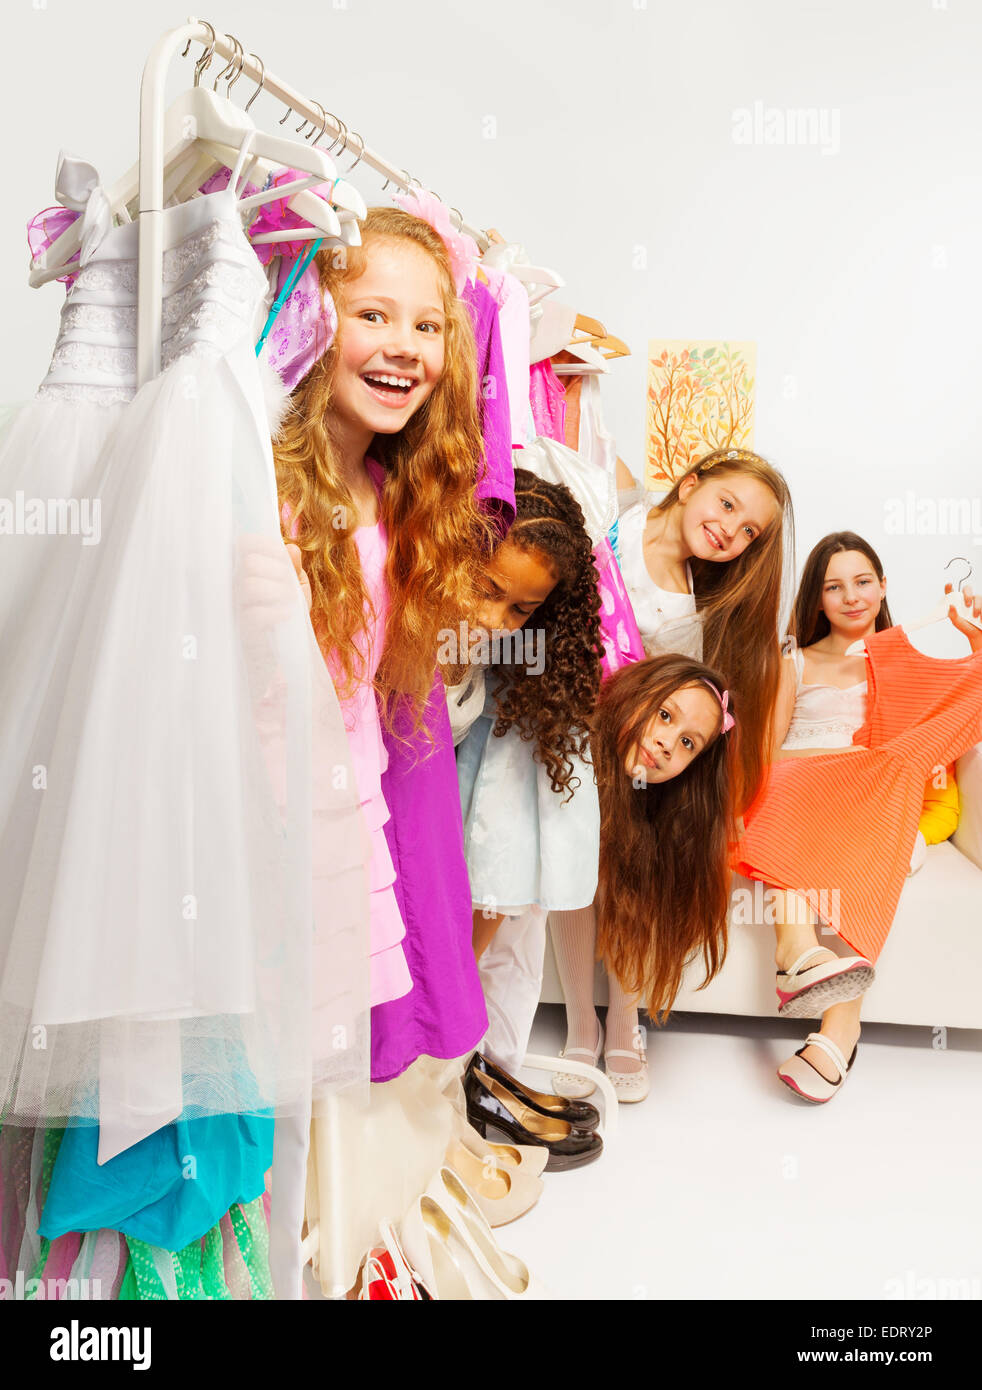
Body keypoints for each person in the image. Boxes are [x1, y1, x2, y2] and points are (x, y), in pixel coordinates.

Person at [553, 448, 793, 1099]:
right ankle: (581, 1028)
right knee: (570, 871)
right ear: (690, 484)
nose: (731, 532)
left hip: (640, 756)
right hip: (569, 733)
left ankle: (627, 1024)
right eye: (727, 505)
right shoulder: (614, 515)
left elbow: (701, 701)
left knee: (631, 873)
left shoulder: (705, 601)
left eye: (750, 533)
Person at [735, 532, 982, 1102]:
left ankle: (837, 1020)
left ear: (884, 586)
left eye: (863, 581)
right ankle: (798, 954)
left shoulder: (912, 664)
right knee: (790, 786)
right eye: (833, 586)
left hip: (882, 808)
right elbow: (766, 759)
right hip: (800, 796)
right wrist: (840, 763)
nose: (851, 596)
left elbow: (960, 711)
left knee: (889, 773)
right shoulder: (793, 659)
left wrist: (973, 644)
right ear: (816, 599)